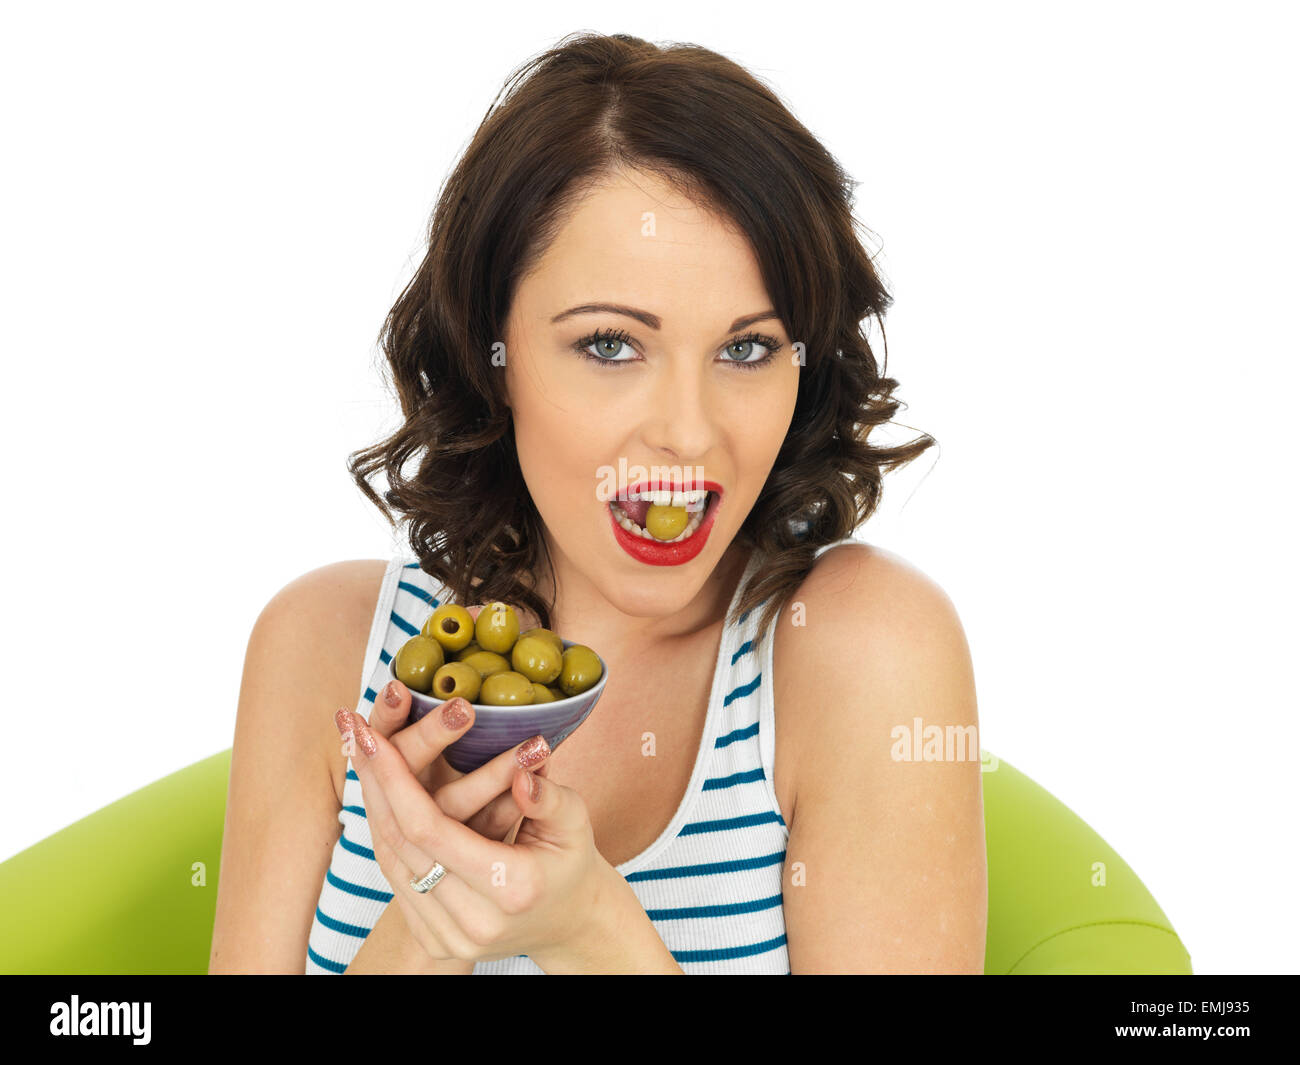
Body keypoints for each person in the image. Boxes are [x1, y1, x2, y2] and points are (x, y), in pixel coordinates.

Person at [208, 31, 987, 975]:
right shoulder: (325, 650)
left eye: (745, 348)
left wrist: (589, 931)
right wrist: (429, 915)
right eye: (612, 345)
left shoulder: (860, 653)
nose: (689, 434)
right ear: (492, 356)